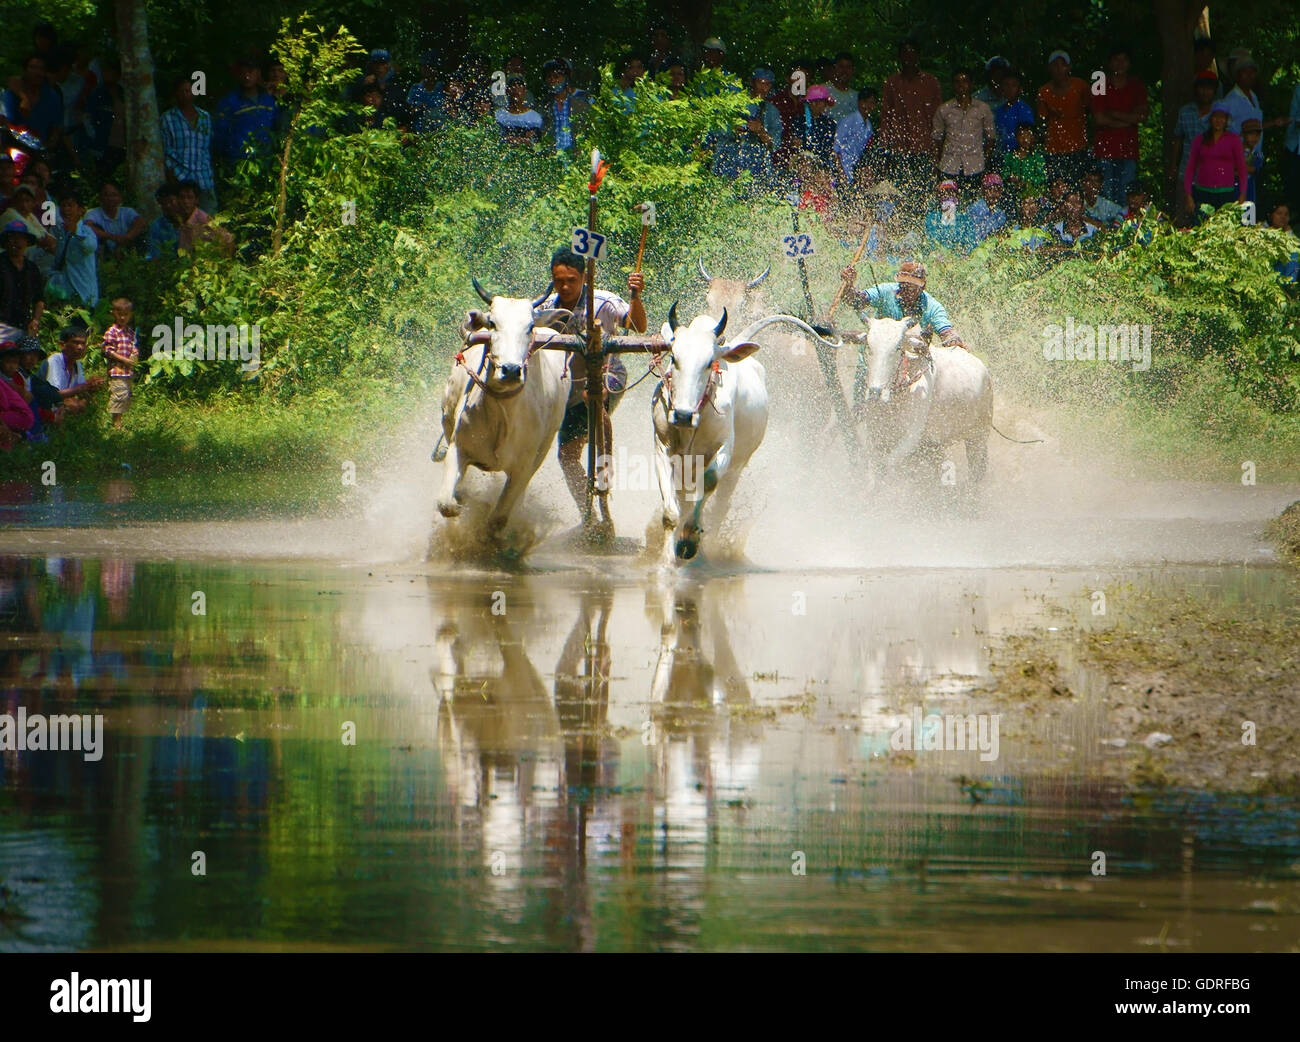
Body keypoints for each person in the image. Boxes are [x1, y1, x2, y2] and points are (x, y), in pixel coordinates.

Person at [533, 247, 646, 532]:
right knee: (566, 456)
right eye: (559, 281)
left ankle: (605, 469)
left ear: (584, 277)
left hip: (608, 376)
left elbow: (638, 325)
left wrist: (635, 296)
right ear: (552, 279)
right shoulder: (546, 309)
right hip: (568, 389)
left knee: (595, 396)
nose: (566, 286)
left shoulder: (603, 302)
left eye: (572, 279)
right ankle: (589, 516)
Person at [840, 261, 968, 410]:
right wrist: (848, 285)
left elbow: (946, 331)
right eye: (903, 286)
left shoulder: (932, 307)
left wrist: (954, 342)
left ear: (922, 287)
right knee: (865, 364)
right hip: (877, 356)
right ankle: (859, 407)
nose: (906, 291)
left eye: (911, 288)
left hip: (912, 363)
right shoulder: (885, 291)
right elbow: (856, 300)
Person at [879, 39, 942, 199]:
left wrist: (938, 148)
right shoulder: (892, 83)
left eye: (912, 53)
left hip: (925, 146)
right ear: (899, 57)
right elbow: (886, 117)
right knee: (900, 192)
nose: (909, 57)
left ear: (918, 56)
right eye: (905, 53)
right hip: (899, 147)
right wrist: (885, 148)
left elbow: (938, 118)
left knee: (924, 191)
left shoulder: (930, 82)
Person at [1089, 46, 1147, 204]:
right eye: (1116, 59)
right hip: (1104, 150)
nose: (1120, 64)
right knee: (1105, 194)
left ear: (1129, 63)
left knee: (1127, 195)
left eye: (1124, 60)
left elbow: (1142, 116)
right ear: (1109, 62)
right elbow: (1099, 118)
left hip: (1128, 150)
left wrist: (1113, 113)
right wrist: (1129, 119)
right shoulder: (1098, 80)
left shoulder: (1136, 84)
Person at [932, 68, 996, 200]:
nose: (961, 85)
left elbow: (991, 138)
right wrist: (938, 161)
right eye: (957, 82)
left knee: (973, 202)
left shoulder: (982, 108)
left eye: (965, 81)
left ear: (971, 83)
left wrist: (985, 159)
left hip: (975, 164)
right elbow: (937, 139)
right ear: (953, 85)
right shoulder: (944, 109)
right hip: (949, 164)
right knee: (948, 203)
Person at [712, 69, 781, 189]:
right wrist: (732, 128)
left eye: (768, 84)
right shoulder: (734, 104)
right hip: (728, 162)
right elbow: (715, 130)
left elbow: (774, 144)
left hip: (757, 167)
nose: (764, 88)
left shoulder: (772, 112)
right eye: (761, 83)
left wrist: (761, 132)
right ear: (752, 83)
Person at [160, 75, 217, 212]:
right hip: (180, 177)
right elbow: (166, 150)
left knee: (208, 221)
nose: (186, 95)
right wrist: (172, 177)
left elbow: (205, 149)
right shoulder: (167, 118)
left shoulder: (205, 117)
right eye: (182, 91)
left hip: (203, 178)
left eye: (189, 91)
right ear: (175, 94)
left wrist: (209, 174)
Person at [1184, 102, 1246, 223]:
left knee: (1224, 230)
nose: (1219, 120)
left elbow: (1242, 168)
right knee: (1201, 228)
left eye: (1222, 117)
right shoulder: (1200, 139)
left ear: (1226, 120)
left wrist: (1242, 194)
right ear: (1211, 118)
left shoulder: (1234, 140)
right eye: (1216, 116)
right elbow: (1190, 168)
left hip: (1226, 193)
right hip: (1202, 192)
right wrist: (1188, 195)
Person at [1169, 71, 1218, 222]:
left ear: (1215, 91)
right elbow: (1178, 139)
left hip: (1212, 175)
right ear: (1196, 89)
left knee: (1208, 217)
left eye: (1209, 88)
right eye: (1202, 88)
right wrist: (1173, 165)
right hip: (1187, 170)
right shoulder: (1185, 111)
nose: (1205, 92)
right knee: (1183, 216)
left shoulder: (1220, 112)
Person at [212, 58, 278, 168]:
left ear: (258, 73)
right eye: (243, 72)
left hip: (267, 162)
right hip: (240, 164)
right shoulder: (229, 102)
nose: (247, 76)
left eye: (251, 71)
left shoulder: (269, 100)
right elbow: (219, 135)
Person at [1037, 50, 1089, 186]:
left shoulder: (1080, 86)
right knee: (1056, 188)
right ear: (1049, 68)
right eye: (1055, 65)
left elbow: (1091, 110)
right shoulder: (1044, 91)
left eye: (1063, 65)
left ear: (1069, 67)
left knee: (1077, 188)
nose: (1059, 69)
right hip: (1053, 150)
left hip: (1078, 148)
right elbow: (1041, 121)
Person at [45, 188, 98, 308]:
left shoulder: (86, 231)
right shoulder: (61, 232)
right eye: (63, 206)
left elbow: (90, 246)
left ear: (80, 210)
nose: (66, 209)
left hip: (84, 294)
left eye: (70, 205)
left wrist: (76, 231)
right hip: (64, 293)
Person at [2, 55, 64, 152]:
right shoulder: (11, 94)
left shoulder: (52, 96)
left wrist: (51, 143)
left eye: (41, 69)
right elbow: (6, 121)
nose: (37, 72)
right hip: (14, 147)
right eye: (33, 68)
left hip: (40, 148)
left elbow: (57, 125)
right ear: (25, 70)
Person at [40, 324, 103, 414]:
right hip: (45, 405)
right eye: (76, 343)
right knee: (73, 405)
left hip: (59, 403)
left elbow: (81, 391)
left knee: (82, 404)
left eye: (83, 344)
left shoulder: (77, 364)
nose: (80, 347)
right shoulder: (55, 360)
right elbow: (54, 395)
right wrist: (83, 388)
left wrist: (92, 386)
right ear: (62, 345)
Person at [0, 220, 45, 340]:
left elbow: (39, 299)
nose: (17, 242)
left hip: (24, 326)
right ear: (6, 242)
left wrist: (35, 320)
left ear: (27, 242)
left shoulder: (31, 268)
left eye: (21, 238)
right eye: (13, 238)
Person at [84, 179, 147, 256]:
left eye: (114, 195)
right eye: (106, 195)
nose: (110, 198)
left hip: (125, 252)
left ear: (120, 198)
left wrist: (126, 238)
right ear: (100, 197)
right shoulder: (93, 213)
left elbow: (141, 222)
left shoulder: (127, 211)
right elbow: (88, 226)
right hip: (102, 255)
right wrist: (112, 237)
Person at [540, 58, 590, 153]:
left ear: (566, 78)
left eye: (556, 76)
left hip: (575, 158)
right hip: (552, 157)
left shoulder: (581, 105)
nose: (552, 80)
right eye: (549, 77)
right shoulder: (544, 106)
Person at [101, 296, 137, 428]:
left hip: (127, 371)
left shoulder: (130, 333)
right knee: (118, 394)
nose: (123, 318)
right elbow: (108, 351)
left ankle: (119, 421)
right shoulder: (112, 331)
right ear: (113, 313)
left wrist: (134, 354)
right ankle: (116, 424)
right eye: (120, 314)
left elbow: (133, 347)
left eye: (126, 315)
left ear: (130, 315)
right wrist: (124, 360)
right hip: (117, 370)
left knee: (126, 395)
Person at [176, 180, 235, 255]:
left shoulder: (203, 219)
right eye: (182, 197)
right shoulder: (181, 220)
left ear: (196, 200)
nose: (185, 201)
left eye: (190, 197)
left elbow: (228, 240)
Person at [833, 89, 875, 192]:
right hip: (842, 168)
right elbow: (835, 148)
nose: (868, 106)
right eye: (866, 102)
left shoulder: (869, 126)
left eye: (872, 103)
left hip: (856, 169)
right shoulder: (849, 121)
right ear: (859, 103)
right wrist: (840, 172)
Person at [923, 179, 977, 253]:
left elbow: (971, 243)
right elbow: (928, 242)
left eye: (951, 193)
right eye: (944, 194)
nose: (948, 197)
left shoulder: (964, 219)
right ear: (939, 197)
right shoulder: (931, 218)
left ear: (957, 197)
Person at [1002, 120, 1047, 205]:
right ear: (1016, 137)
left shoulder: (1038, 158)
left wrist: (1026, 181)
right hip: (1013, 195)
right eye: (1022, 135)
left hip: (1033, 196)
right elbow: (1004, 174)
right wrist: (1010, 178)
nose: (1025, 139)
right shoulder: (1009, 157)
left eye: (1028, 135)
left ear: (1033, 138)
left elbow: (1042, 177)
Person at [0, 341, 35, 449]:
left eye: (14, 362)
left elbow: (4, 405)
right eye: (8, 362)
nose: (11, 366)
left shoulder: (17, 379)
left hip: (22, 417)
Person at [993, 69, 1034, 156]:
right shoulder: (998, 111)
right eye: (1006, 85)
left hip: (1017, 156)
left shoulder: (1024, 110)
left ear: (1020, 89)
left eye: (1014, 85)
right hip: (1001, 154)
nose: (1009, 89)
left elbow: (1027, 137)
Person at [495, 75, 543, 145]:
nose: (515, 89)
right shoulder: (499, 114)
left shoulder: (535, 117)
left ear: (525, 90)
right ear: (506, 91)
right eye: (512, 86)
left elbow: (536, 143)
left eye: (519, 86)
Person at [406, 51, 446, 134]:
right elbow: (409, 111)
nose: (426, 69)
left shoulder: (443, 88)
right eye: (423, 66)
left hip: (440, 131)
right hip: (419, 132)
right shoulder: (415, 88)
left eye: (429, 66)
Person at [146, 183, 182, 260]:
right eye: (163, 203)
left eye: (171, 201)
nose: (168, 206)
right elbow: (154, 254)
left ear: (179, 199)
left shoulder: (193, 219)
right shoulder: (157, 226)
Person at [968, 173, 1009, 241]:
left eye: (998, 190)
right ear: (983, 191)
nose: (994, 194)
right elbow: (974, 234)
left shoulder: (1000, 214)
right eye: (991, 190)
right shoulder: (975, 209)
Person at [824, 52, 858, 122]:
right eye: (841, 67)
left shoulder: (856, 96)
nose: (844, 71)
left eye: (848, 67)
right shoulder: (822, 90)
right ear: (834, 69)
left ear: (852, 70)